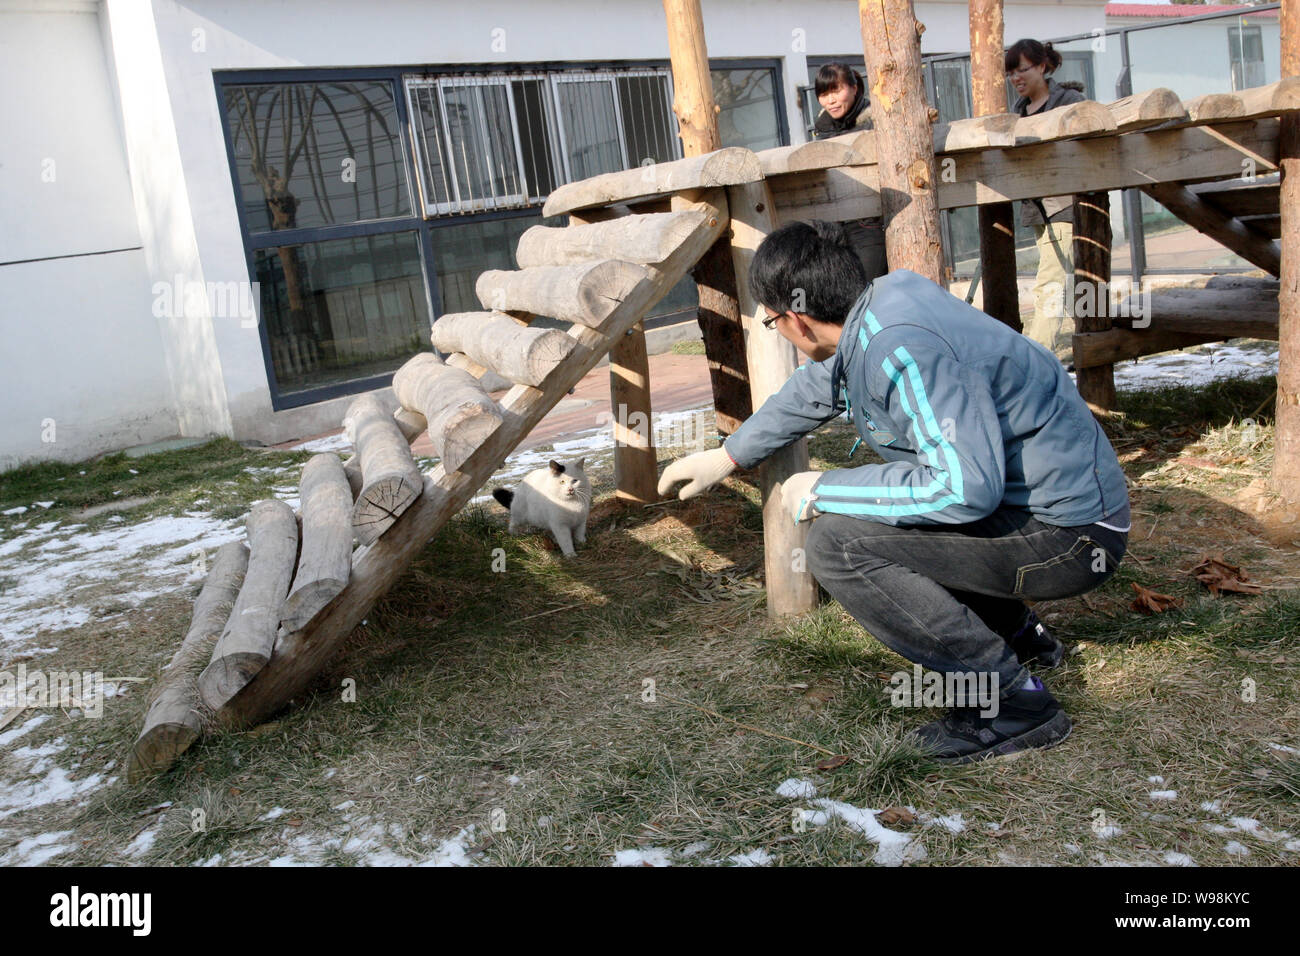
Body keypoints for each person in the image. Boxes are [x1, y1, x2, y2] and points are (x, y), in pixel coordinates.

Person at [658, 221, 1131, 764]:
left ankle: (1010, 702)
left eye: (771, 322)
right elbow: (821, 386)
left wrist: (825, 487)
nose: (777, 330)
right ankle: (1023, 639)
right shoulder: (883, 301)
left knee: (839, 544)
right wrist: (729, 454)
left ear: (796, 318)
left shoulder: (903, 351)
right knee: (885, 517)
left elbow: (961, 490)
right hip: (1049, 510)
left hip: (1070, 539)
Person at [1006, 38, 1086, 362]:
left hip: (1067, 203)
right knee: (1051, 283)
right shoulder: (1018, 111)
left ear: (1042, 66)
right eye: (1011, 73)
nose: (1016, 78)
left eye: (1022, 69)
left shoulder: (1068, 100)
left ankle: (1034, 361)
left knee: (1051, 285)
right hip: (1037, 208)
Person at [811, 63, 887, 284]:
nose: (830, 100)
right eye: (824, 94)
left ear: (854, 88)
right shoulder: (821, 130)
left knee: (866, 290)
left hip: (869, 221)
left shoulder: (876, 121)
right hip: (832, 225)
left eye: (836, 91)